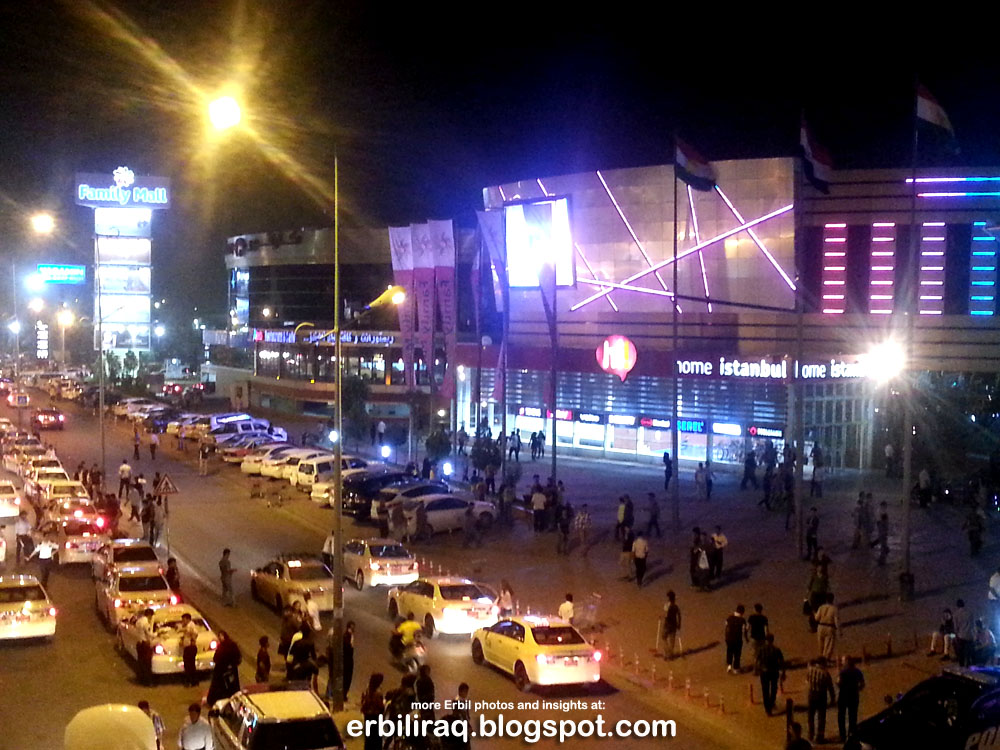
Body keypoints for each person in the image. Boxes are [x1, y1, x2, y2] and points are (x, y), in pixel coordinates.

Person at [206, 630, 242, 705]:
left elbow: (216, 658)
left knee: (220, 686)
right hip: (230, 669)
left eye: (220, 636)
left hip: (222, 670)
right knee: (231, 686)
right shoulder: (231, 645)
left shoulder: (224, 646)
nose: (220, 638)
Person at [806, 657, 836, 744]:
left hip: (811, 695)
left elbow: (807, 680)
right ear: (823, 663)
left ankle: (810, 734)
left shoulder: (810, 670)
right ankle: (820, 737)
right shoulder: (825, 673)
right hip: (821, 696)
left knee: (810, 716)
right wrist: (833, 699)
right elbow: (830, 687)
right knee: (821, 717)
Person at [755, 633, 785, 716]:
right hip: (773, 671)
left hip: (764, 672)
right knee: (774, 689)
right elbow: (782, 661)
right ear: (772, 640)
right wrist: (783, 672)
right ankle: (771, 703)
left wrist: (757, 669)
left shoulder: (761, 649)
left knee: (765, 690)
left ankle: (767, 708)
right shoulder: (776, 649)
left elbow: (757, 660)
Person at [837, 657, 865, 742]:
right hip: (854, 696)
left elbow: (838, 682)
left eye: (842, 661)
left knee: (841, 716)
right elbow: (862, 684)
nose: (841, 662)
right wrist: (857, 689)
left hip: (843, 696)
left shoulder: (842, 672)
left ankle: (842, 736)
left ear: (846, 662)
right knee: (853, 716)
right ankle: (851, 734)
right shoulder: (857, 671)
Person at [360, 673, 386, 750]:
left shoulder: (367, 690)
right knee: (376, 738)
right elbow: (380, 706)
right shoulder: (378, 693)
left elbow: (363, 702)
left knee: (368, 738)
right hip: (375, 717)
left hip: (367, 716)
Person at [132, 608, 155, 687]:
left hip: (139, 643)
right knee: (147, 664)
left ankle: (140, 679)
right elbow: (149, 634)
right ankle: (147, 681)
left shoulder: (138, 621)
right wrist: (158, 634)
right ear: (149, 615)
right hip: (145, 645)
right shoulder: (146, 623)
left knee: (141, 662)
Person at [815, 593, 840, 660]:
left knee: (821, 646)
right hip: (829, 627)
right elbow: (836, 621)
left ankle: (821, 658)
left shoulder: (821, 607)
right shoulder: (834, 609)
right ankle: (825, 659)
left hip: (820, 627)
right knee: (828, 646)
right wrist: (839, 630)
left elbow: (816, 618)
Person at [724, 604, 748, 674]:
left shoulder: (729, 618)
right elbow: (744, 631)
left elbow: (726, 626)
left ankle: (729, 666)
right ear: (742, 612)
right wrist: (746, 639)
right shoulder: (742, 620)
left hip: (729, 639)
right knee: (737, 654)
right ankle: (736, 668)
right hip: (737, 639)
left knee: (729, 652)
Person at [179, 612, 200, 687]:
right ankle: (193, 681)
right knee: (190, 665)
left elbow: (194, 632)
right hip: (188, 648)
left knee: (189, 666)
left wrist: (192, 640)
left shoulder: (190, 625)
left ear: (188, 619)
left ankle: (190, 682)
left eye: (184, 620)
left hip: (190, 648)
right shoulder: (188, 626)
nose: (183, 621)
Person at [954, 598, 974, 667]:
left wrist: (956, 635)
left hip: (961, 636)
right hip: (969, 635)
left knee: (961, 653)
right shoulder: (970, 613)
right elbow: (972, 625)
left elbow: (956, 627)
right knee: (968, 653)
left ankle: (961, 667)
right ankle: (968, 666)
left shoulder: (956, 615)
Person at [662, 590, 681, 659]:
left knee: (664, 637)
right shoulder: (676, 606)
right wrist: (679, 624)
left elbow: (666, 615)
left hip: (667, 624)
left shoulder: (667, 606)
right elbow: (679, 615)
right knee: (672, 640)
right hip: (674, 625)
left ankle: (667, 653)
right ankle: (670, 654)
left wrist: (662, 617)